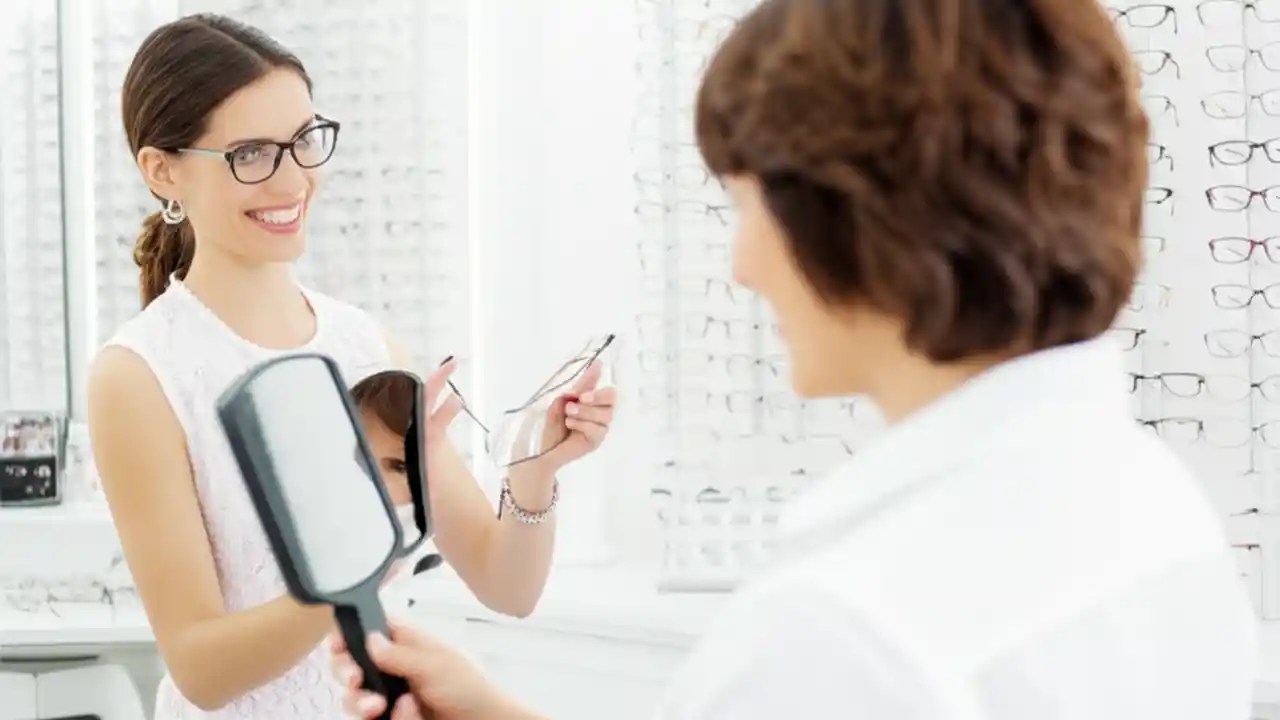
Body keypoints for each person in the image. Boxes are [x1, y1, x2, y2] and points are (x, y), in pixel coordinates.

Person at [332, 0, 1258, 718]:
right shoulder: (1150, 499)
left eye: (747, 207)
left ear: (858, 216)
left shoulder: (845, 627)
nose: (740, 267)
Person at [85, 13, 617, 719]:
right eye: (251, 154)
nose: (294, 179)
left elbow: (507, 587)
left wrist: (534, 469)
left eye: (304, 141)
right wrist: (362, 555)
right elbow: (201, 670)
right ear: (162, 170)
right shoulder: (138, 375)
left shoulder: (366, 346)